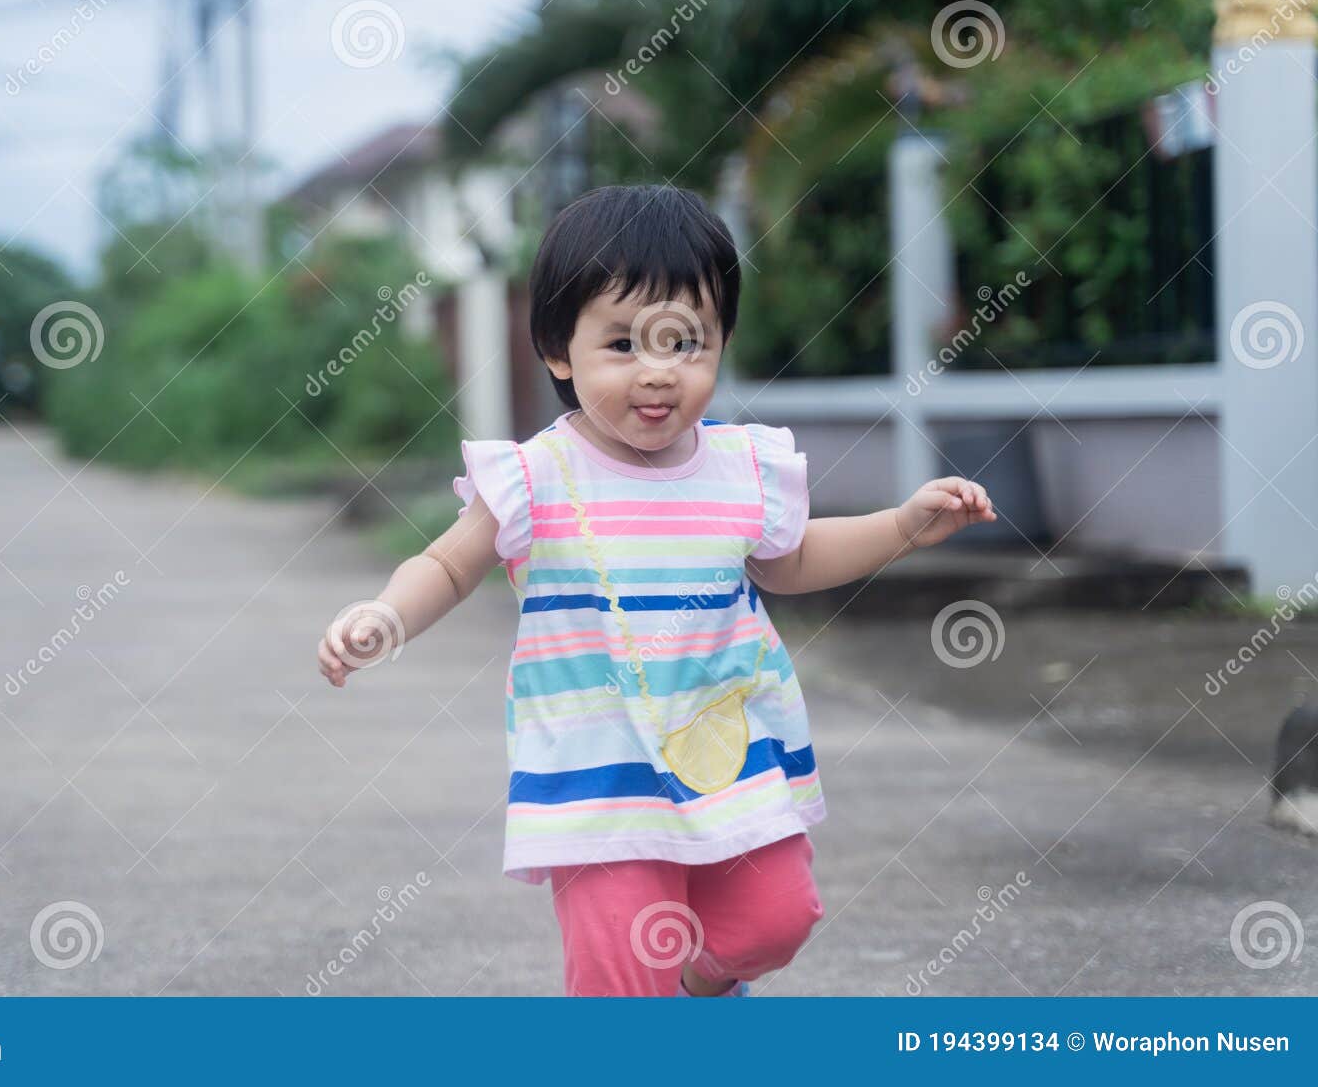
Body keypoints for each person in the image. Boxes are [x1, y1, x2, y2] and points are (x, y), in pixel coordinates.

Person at [316, 184, 996, 996]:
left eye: (686, 343)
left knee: (776, 920)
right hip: (595, 778)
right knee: (621, 972)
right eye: (623, 345)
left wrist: (901, 527)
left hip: (730, 757)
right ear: (558, 349)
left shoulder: (743, 465)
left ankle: (702, 987)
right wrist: (386, 614)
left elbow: (792, 560)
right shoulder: (536, 475)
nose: (658, 373)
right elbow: (450, 563)